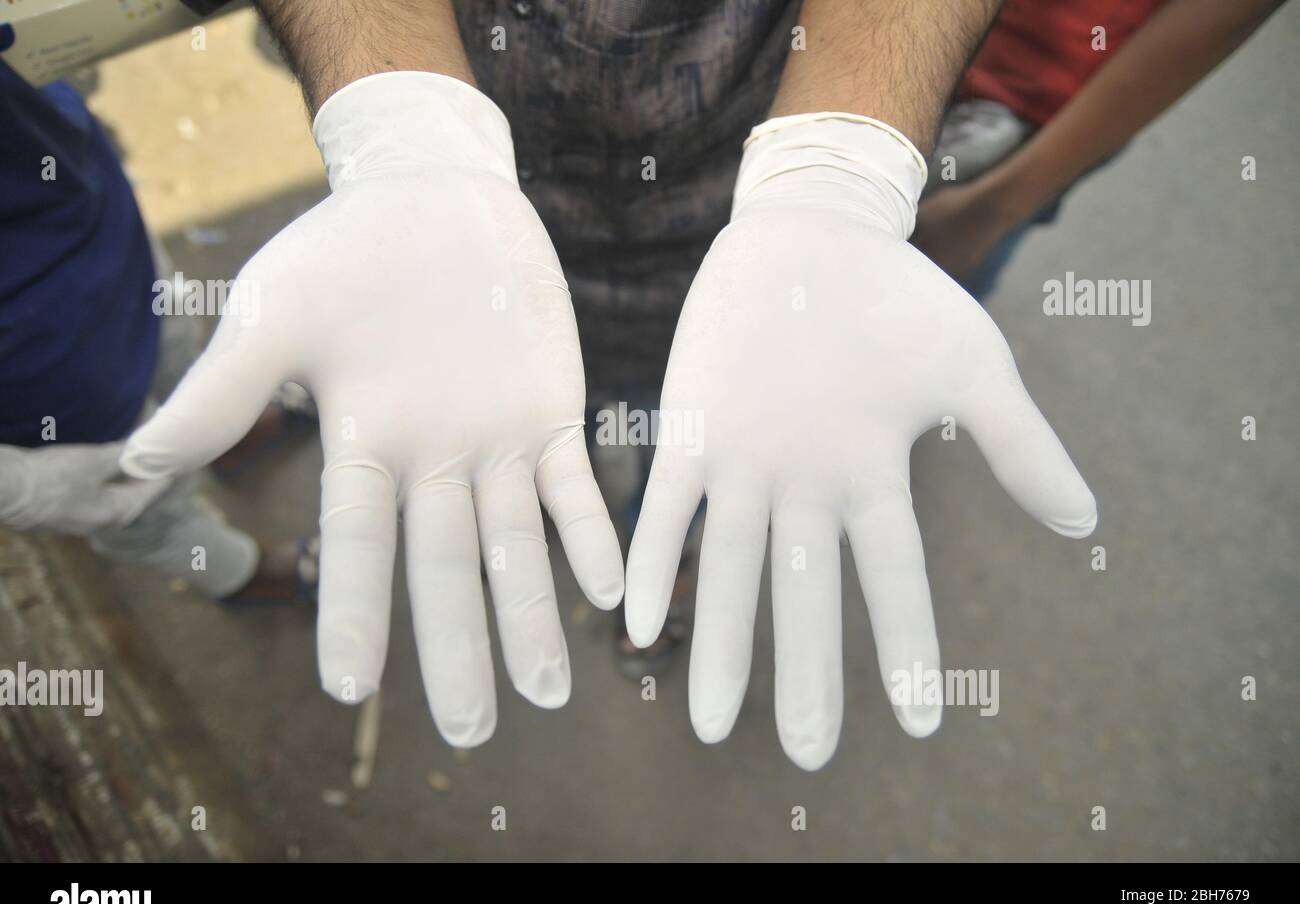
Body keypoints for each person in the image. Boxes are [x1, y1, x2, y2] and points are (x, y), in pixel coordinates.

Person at [117, 0, 1104, 769]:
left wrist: (840, 160)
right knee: (544, 433)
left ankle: (666, 561)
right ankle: (575, 508)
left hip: (751, 205)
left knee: (737, 445)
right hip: (484, 196)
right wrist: (401, 122)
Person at [0, 59, 313, 603]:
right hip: (45, 380)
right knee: (146, 507)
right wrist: (17, 485)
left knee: (188, 369)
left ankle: (225, 441)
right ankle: (245, 575)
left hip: (91, 218)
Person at [914, 0, 1285, 300]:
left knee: (930, 295)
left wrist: (994, 207)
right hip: (918, 50)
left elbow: (1227, 16)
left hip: (1025, 116)